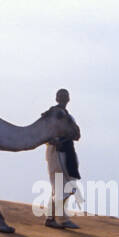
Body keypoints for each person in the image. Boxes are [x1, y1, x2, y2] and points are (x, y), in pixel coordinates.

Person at [45, 88, 82, 227]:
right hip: (57, 152)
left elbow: (77, 134)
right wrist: (55, 141)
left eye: (65, 96)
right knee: (62, 185)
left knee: (64, 185)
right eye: (61, 96)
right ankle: (55, 218)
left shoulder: (68, 116)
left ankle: (56, 217)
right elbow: (45, 132)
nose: (64, 98)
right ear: (56, 98)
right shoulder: (52, 114)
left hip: (68, 151)